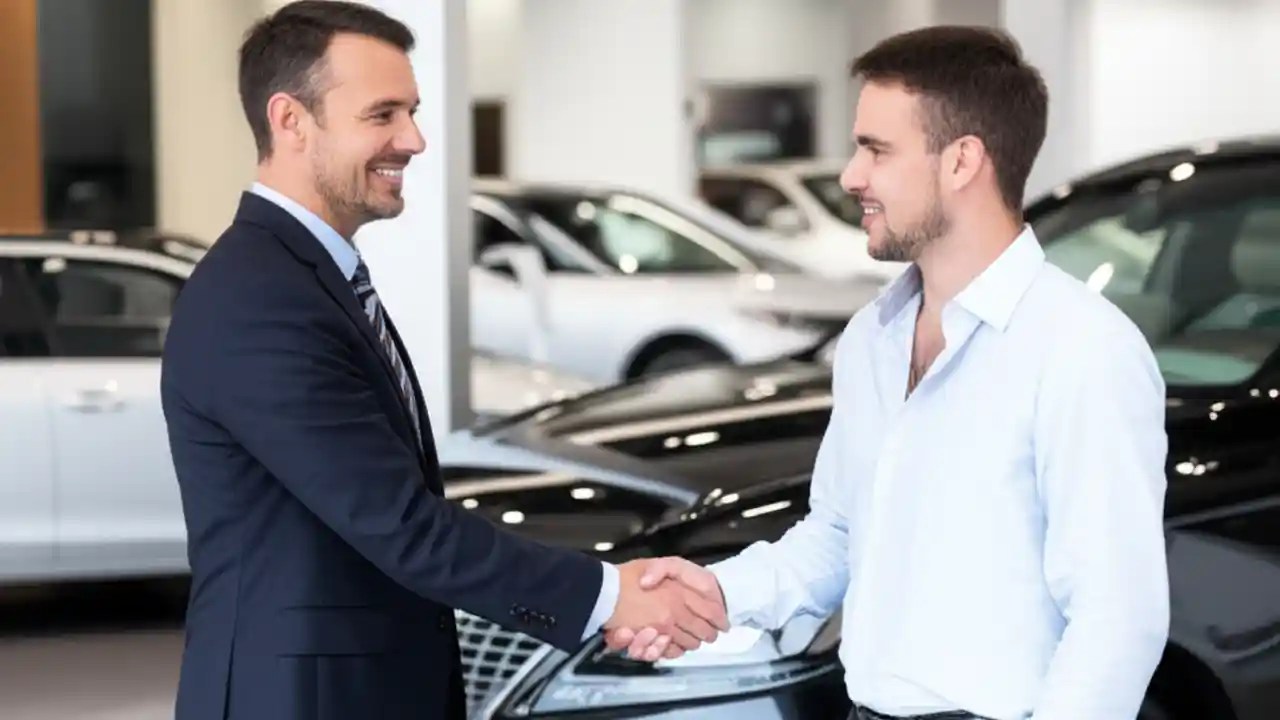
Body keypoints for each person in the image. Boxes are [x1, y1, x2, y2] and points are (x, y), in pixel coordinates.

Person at [159, 3, 724, 720]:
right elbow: (400, 525)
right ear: (290, 120)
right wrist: (608, 596)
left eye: (413, 112)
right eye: (383, 114)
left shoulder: (307, 278)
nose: (415, 140)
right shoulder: (259, 297)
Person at [610, 25, 1170, 720]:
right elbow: (839, 535)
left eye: (876, 150)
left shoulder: (1082, 349)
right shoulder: (872, 338)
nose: (851, 176)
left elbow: (1117, 619)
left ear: (962, 161)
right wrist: (716, 593)